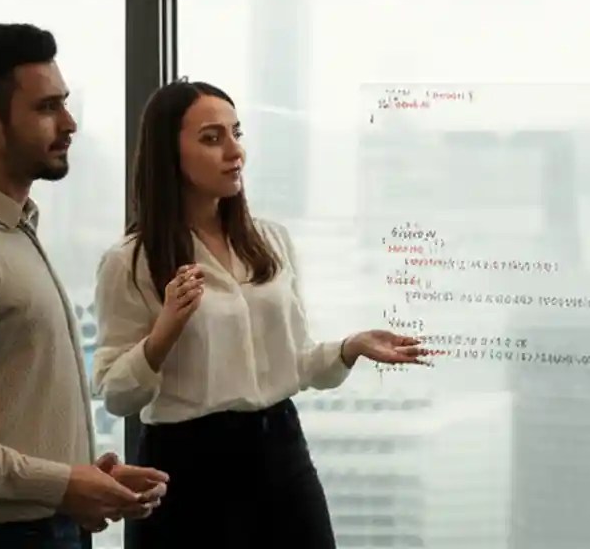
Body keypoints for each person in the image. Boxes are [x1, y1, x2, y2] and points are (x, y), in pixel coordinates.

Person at [92, 79, 435, 548]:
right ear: (168, 154)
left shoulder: (269, 241)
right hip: (189, 463)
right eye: (212, 139)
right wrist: (165, 331)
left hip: (280, 448)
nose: (235, 151)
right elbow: (117, 395)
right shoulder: (130, 261)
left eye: (237, 133)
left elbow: (296, 362)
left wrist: (350, 348)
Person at [0, 23, 166, 549]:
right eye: (47, 108)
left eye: (65, 103)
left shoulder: (11, 230)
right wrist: (60, 483)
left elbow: (5, 405)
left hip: (44, 529)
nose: (70, 123)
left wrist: (81, 475)